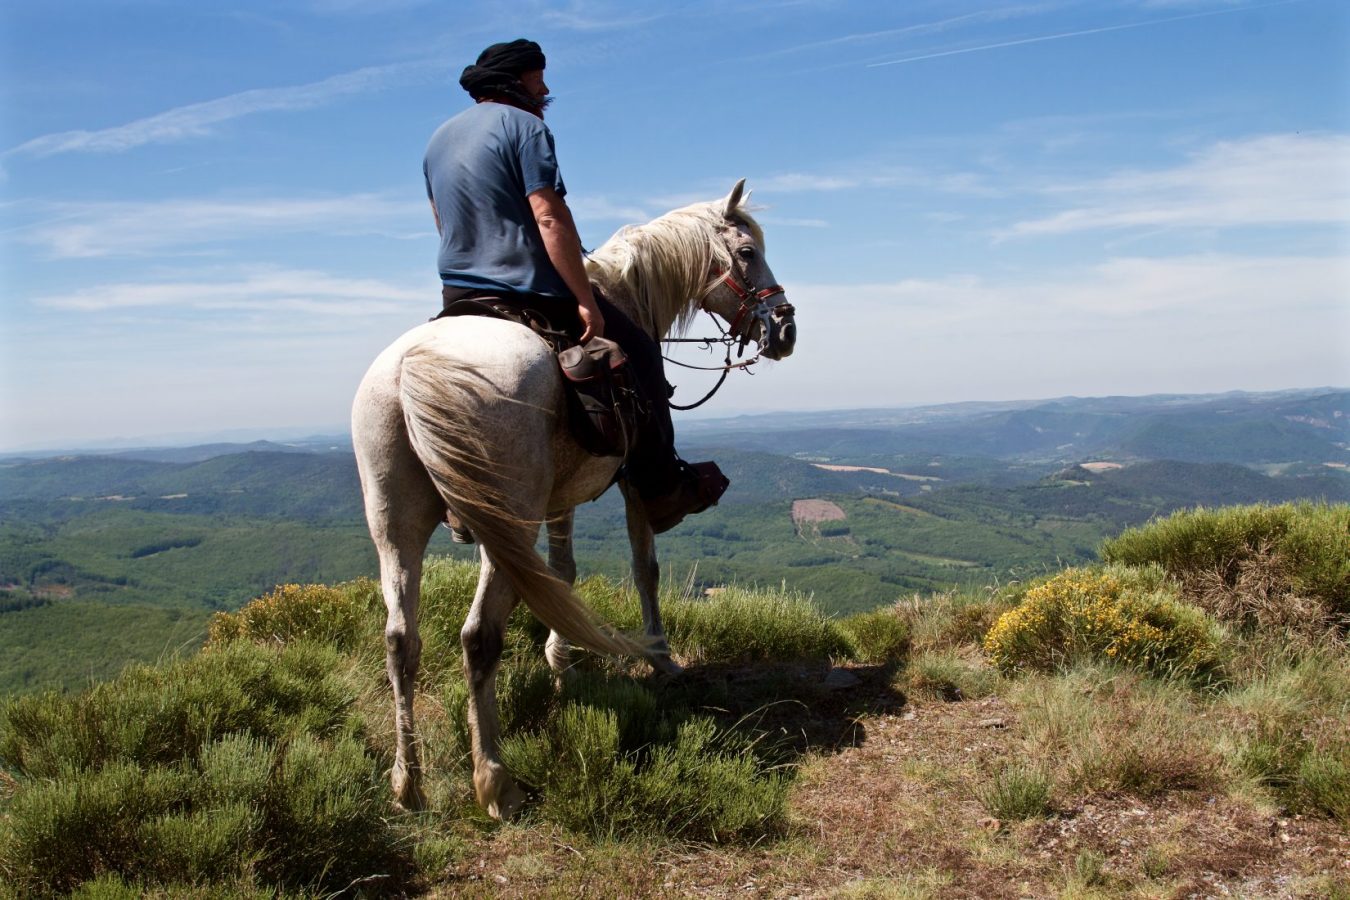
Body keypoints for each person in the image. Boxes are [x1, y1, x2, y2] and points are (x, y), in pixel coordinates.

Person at [423, 38, 727, 534]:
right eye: (539, 77)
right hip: (526, 288)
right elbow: (548, 216)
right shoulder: (528, 127)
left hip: (458, 295)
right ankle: (663, 489)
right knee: (642, 356)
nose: (545, 88)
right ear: (518, 79)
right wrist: (585, 302)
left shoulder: (438, 140)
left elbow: (442, 219)